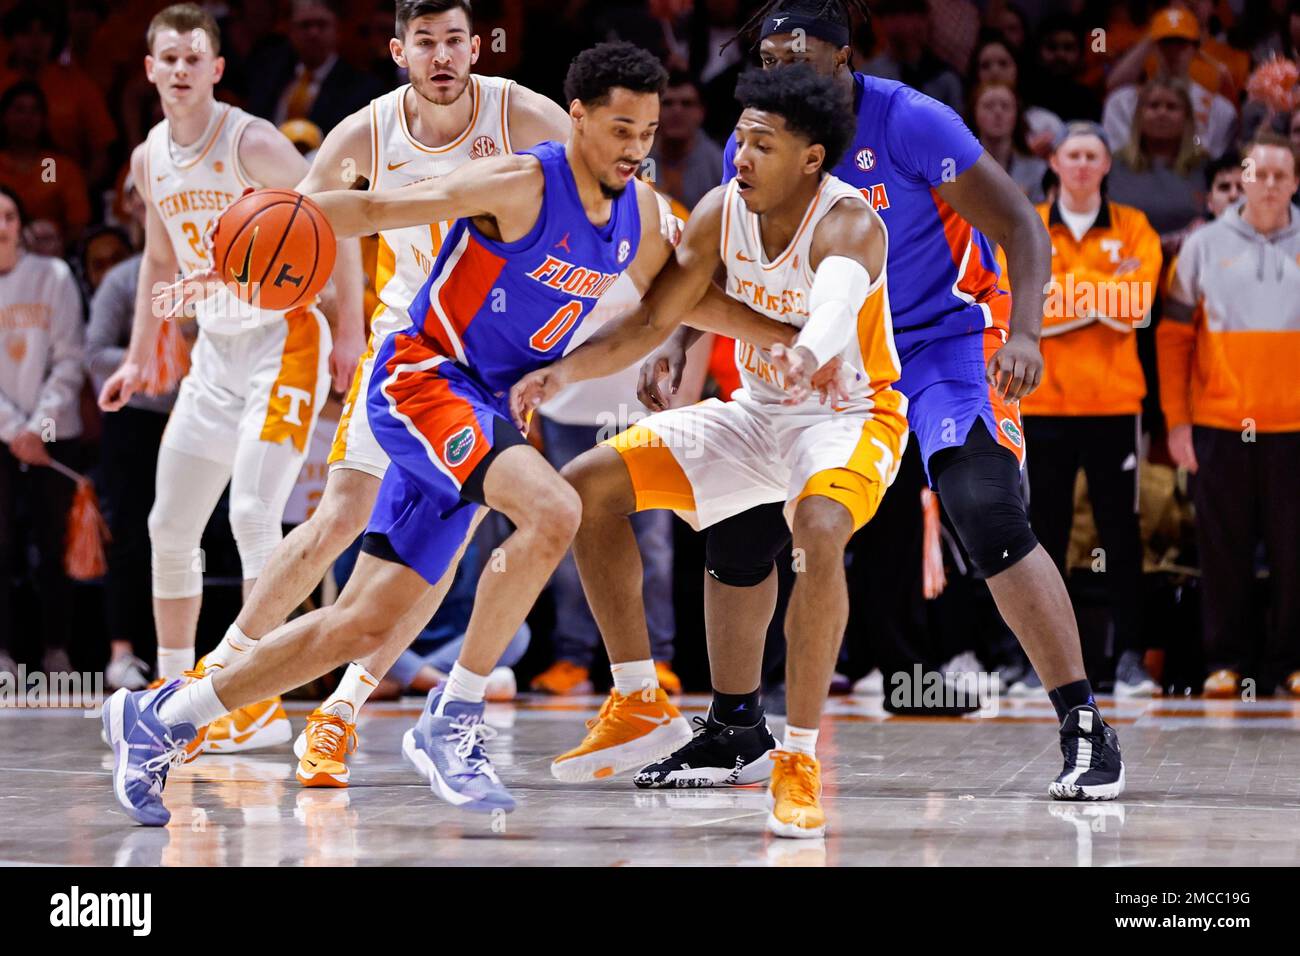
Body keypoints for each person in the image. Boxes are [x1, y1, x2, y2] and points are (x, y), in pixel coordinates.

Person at [101, 41, 698, 826]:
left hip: (483, 401)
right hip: (423, 377)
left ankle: (163, 718)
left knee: (362, 621)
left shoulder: (638, 215)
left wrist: (767, 329)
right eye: (621, 129)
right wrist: (244, 251)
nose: (635, 148)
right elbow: (377, 210)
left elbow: (680, 297)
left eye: (649, 133)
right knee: (554, 508)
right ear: (578, 118)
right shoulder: (520, 181)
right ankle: (454, 719)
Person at [619, 0, 1125, 805]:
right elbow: (716, 256)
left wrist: (1026, 334)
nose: (780, 67)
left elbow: (1023, 229)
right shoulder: (761, 138)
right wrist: (679, 344)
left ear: (844, 55)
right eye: (769, 55)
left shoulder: (913, 122)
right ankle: (737, 728)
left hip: (937, 341)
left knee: (984, 509)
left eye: (797, 53)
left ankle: (1084, 724)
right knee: (743, 513)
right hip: (815, 346)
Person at [196, 0, 581, 787]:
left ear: (476, 47)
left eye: (454, 43)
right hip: (404, 349)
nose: (442, 58)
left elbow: (603, 189)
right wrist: (235, 275)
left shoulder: (520, 112)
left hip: (488, 359)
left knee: (436, 552)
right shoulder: (366, 131)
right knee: (339, 515)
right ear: (398, 49)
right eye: (425, 44)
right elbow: (300, 226)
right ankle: (211, 686)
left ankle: (340, 712)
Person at [519, 64, 902, 838]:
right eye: (740, 137)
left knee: (820, 531)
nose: (741, 156)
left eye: (763, 144)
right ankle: (637, 697)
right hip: (757, 411)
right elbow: (659, 316)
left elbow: (830, 307)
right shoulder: (720, 210)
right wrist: (561, 370)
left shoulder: (850, 222)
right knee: (581, 488)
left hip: (848, 415)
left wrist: (807, 351)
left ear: (812, 158)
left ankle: (797, 756)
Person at [96, 3, 354, 751]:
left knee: (251, 514)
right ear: (150, 69)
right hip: (213, 356)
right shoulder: (149, 157)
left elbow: (332, 222)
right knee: (168, 524)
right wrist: (143, 354)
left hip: (287, 343)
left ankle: (258, 698)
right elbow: (157, 259)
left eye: (192, 58)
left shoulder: (252, 140)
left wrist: (350, 335)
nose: (179, 70)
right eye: (166, 58)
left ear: (215, 69)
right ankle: (177, 699)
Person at [1011, 123, 1162, 698]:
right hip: (1042, 399)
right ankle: (1038, 664)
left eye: (1091, 156)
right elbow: (1019, 301)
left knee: (1120, 532)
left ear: (1105, 165)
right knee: (1038, 534)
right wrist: (1100, 294)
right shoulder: (1028, 223)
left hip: (1114, 404)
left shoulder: (1134, 226)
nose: (1079, 164)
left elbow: (1137, 306)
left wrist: (1058, 297)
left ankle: (1129, 659)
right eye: (1071, 154)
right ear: (1054, 161)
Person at [1159, 131, 1300, 699]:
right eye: (1257, 173)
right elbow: (1172, 340)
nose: (1268, 184)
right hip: (1220, 423)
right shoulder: (1202, 245)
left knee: (1296, 552)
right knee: (1222, 550)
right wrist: (1177, 420)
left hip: (1294, 426)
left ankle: (1292, 663)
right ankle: (1226, 662)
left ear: (1294, 181)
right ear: (1241, 179)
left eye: (1280, 175)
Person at [0, 185, 85, 678]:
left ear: (22, 225)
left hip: (54, 433)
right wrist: (14, 429)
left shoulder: (52, 276)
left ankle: (57, 650)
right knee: (2, 545)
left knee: (54, 546)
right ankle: (5, 654)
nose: (2, 226)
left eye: (9, 215)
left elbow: (70, 358)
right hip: (4, 436)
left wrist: (38, 428)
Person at [1102, 6, 1236, 161]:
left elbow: (1213, 165)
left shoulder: (1219, 109)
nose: (1172, 51)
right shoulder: (1121, 103)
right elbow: (1119, 159)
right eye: (1165, 43)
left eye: (1181, 43)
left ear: (1195, 48)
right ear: (1153, 48)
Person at [246, 0, 384, 135]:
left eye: (321, 24)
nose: (313, 33)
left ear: (337, 30)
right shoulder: (268, 76)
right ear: (291, 31)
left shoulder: (362, 88)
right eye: (305, 25)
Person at [1106, 77, 1209, 258]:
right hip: (1123, 265)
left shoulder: (1206, 166)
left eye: (1172, 107)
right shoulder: (1111, 166)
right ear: (1138, 115)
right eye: (1153, 106)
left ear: (1187, 117)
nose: (1162, 113)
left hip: (1189, 263)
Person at [0, 81, 92, 246]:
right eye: (19, 110)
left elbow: (78, 224)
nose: (27, 118)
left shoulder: (55, 166)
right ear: (4, 116)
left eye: (34, 111)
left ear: (44, 119)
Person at [644, 71, 723, 210]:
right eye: (667, 103)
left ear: (701, 112)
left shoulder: (719, 165)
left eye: (687, 103)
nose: (677, 111)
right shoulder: (640, 157)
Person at [971, 82, 1047, 202]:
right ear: (974, 112)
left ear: (1017, 114)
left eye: (1005, 106)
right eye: (989, 106)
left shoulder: (1037, 169)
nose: (998, 112)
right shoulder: (959, 168)